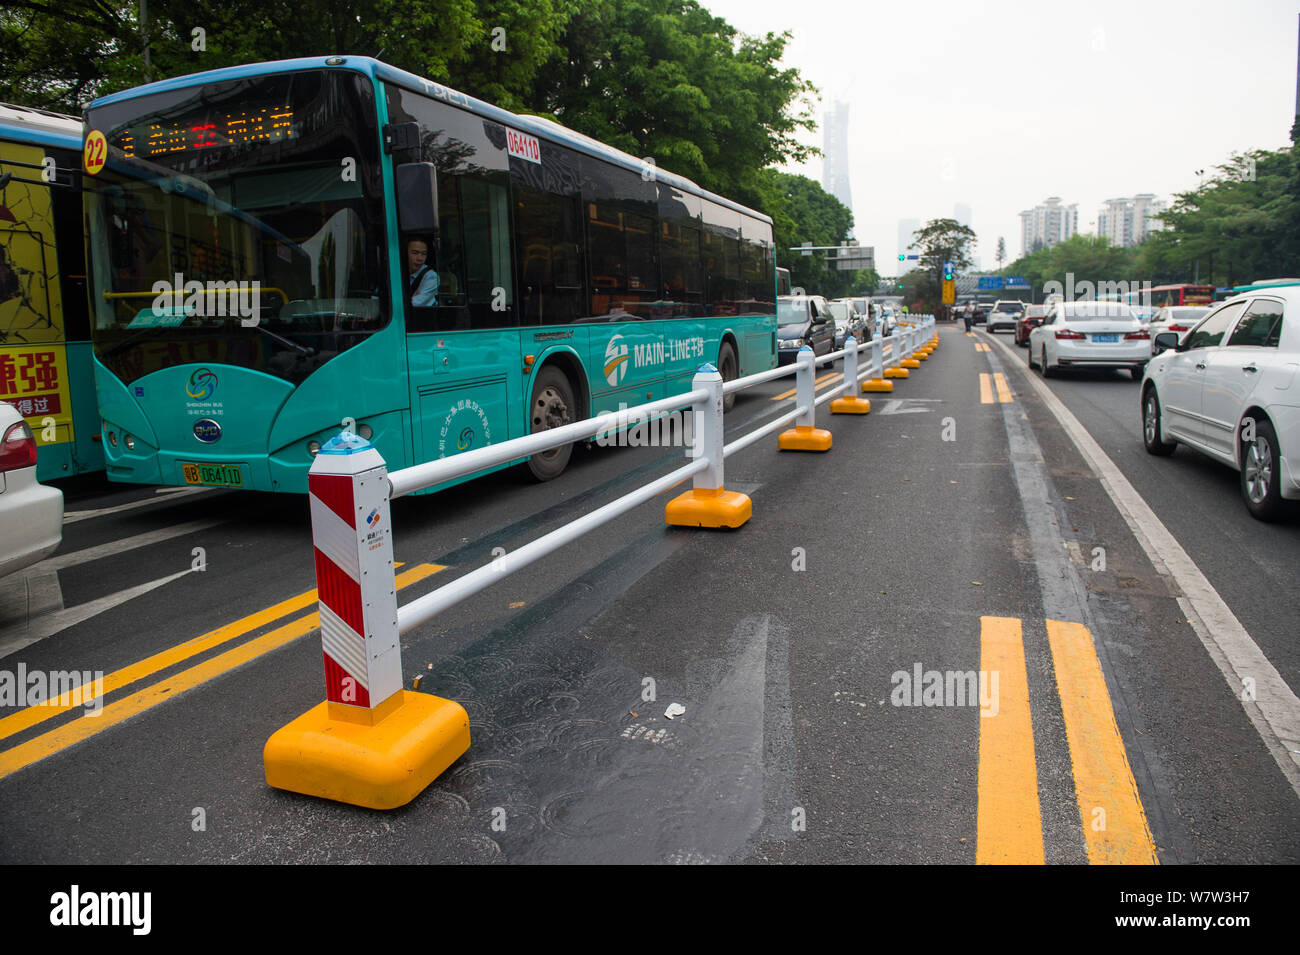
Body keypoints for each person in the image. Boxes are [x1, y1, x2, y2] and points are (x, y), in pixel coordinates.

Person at [406, 238, 439, 306]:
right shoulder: (397, 271)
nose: (420, 258)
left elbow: (414, 304)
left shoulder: (431, 276)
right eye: (415, 253)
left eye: (424, 254)